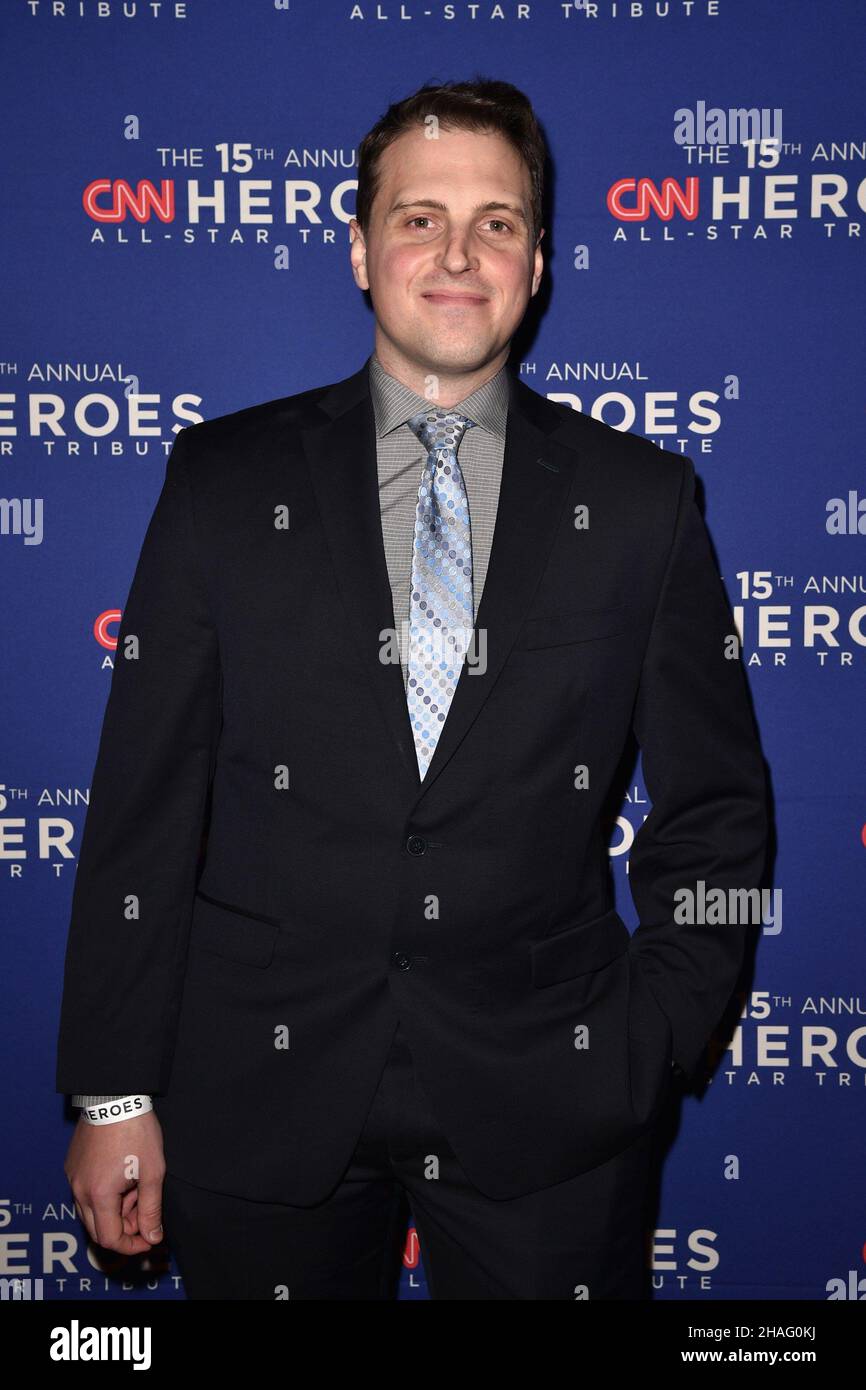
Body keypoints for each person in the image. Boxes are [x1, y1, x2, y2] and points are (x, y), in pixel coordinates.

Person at [56, 77, 767, 1300]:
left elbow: (715, 813)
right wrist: (114, 1093)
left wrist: (654, 1040)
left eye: (495, 222)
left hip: (552, 1102)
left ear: (536, 263)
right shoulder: (223, 481)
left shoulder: (641, 503)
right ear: (358, 249)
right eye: (417, 217)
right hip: (257, 1096)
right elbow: (142, 806)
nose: (456, 252)